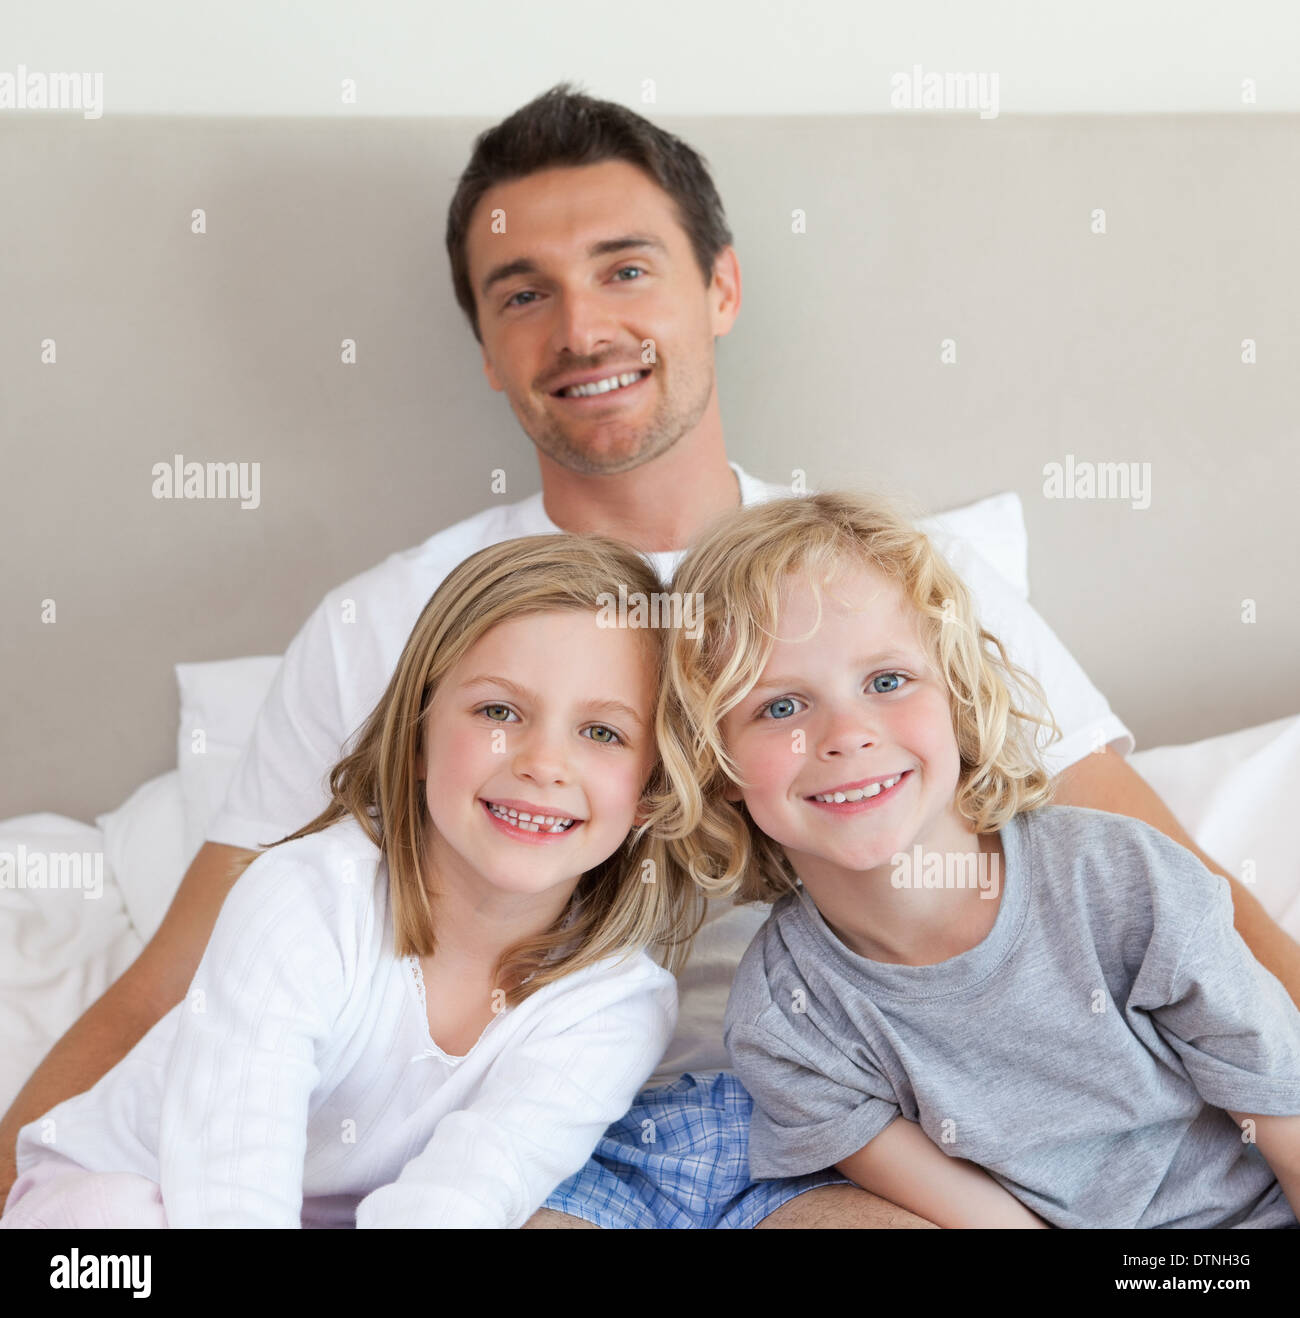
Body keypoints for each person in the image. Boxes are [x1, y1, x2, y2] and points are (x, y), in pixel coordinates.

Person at [3, 83, 1298, 1229]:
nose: (581, 323)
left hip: (847, 1132)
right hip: (542, 1143)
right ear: (491, 345)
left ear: (719, 287)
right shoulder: (393, 622)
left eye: (627, 268)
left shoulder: (888, 588)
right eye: (525, 292)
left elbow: (1188, 894)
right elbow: (187, 974)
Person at [1, 535, 701, 1228]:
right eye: (498, 712)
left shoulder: (617, 1006)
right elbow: (229, 1183)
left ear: (652, 791)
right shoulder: (305, 898)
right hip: (137, 1190)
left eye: (604, 732)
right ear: (421, 733)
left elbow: (465, 1197)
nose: (543, 762)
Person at [653, 489, 1300, 1228]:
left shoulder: (1121, 881)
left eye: (887, 682)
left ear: (958, 699)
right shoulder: (785, 1018)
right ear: (716, 765)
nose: (846, 733)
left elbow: (1286, 1116)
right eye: (780, 706)